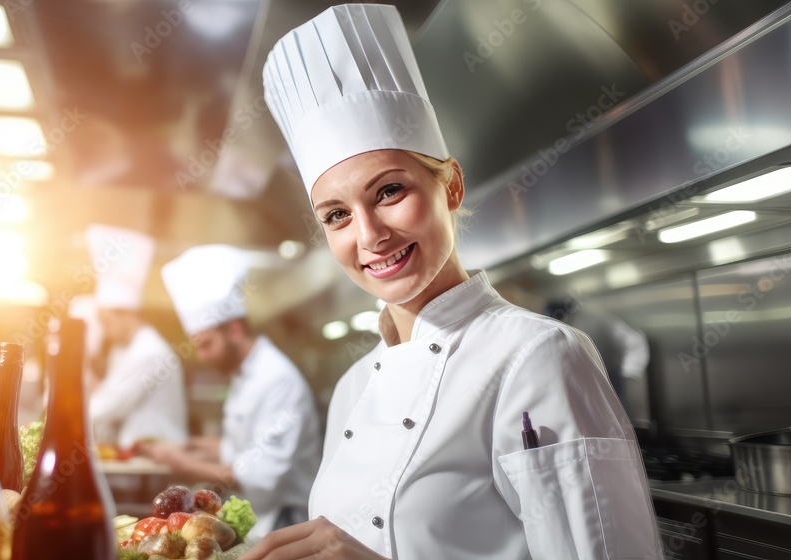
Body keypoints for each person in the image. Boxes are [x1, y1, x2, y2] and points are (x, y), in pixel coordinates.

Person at [244, 4, 664, 559]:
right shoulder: (353, 388)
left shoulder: (538, 357)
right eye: (337, 215)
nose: (369, 235)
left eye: (389, 191)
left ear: (451, 186)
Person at [142, 244, 321, 544]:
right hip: (254, 516)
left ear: (235, 330)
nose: (201, 356)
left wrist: (181, 463)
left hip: (282, 524)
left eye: (206, 343)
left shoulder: (277, 380)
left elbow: (260, 474)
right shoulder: (244, 374)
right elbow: (241, 446)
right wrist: (188, 446)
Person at [84, 224, 188, 449]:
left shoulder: (149, 352)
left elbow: (104, 408)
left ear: (128, 313)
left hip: (156, 464)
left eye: (107, 323)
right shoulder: (125, 350)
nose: (106, 332)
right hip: (138, 458)